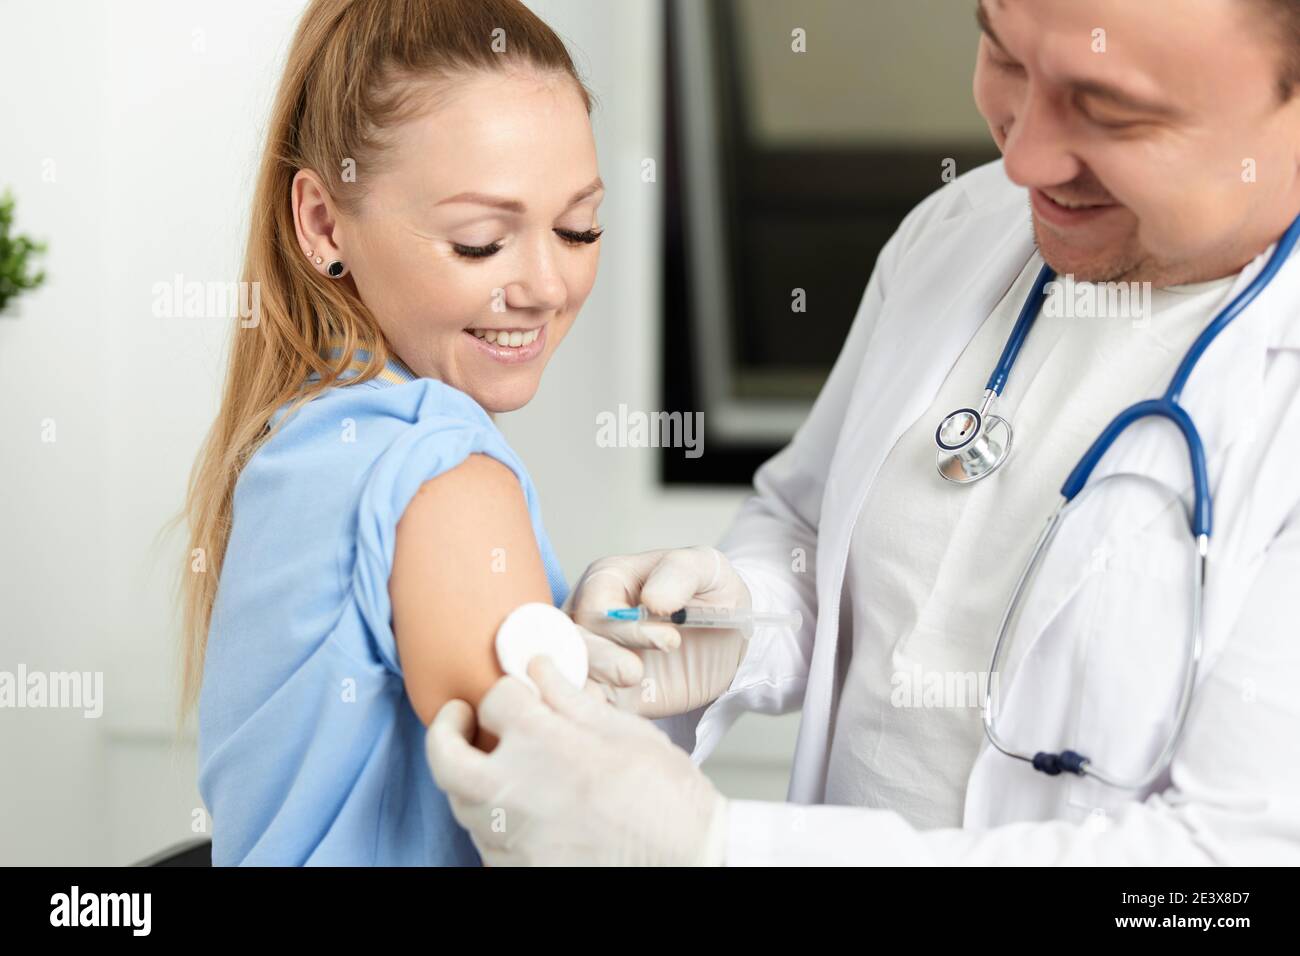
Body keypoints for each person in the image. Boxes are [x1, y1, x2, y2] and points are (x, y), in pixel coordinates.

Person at [427, 0, 1300, 865]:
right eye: (1003, 56)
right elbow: (812, 527)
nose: (1024, 155)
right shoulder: (964, 231)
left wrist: (720, 846)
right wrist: (732, 627)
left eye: (1110, 111)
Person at [182, 0, 632, 865]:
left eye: (580, 226)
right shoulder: (438, 468)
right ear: (321, 223)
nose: (544, 283)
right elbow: (571, 841)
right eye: (479, 242)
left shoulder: (300, 436)